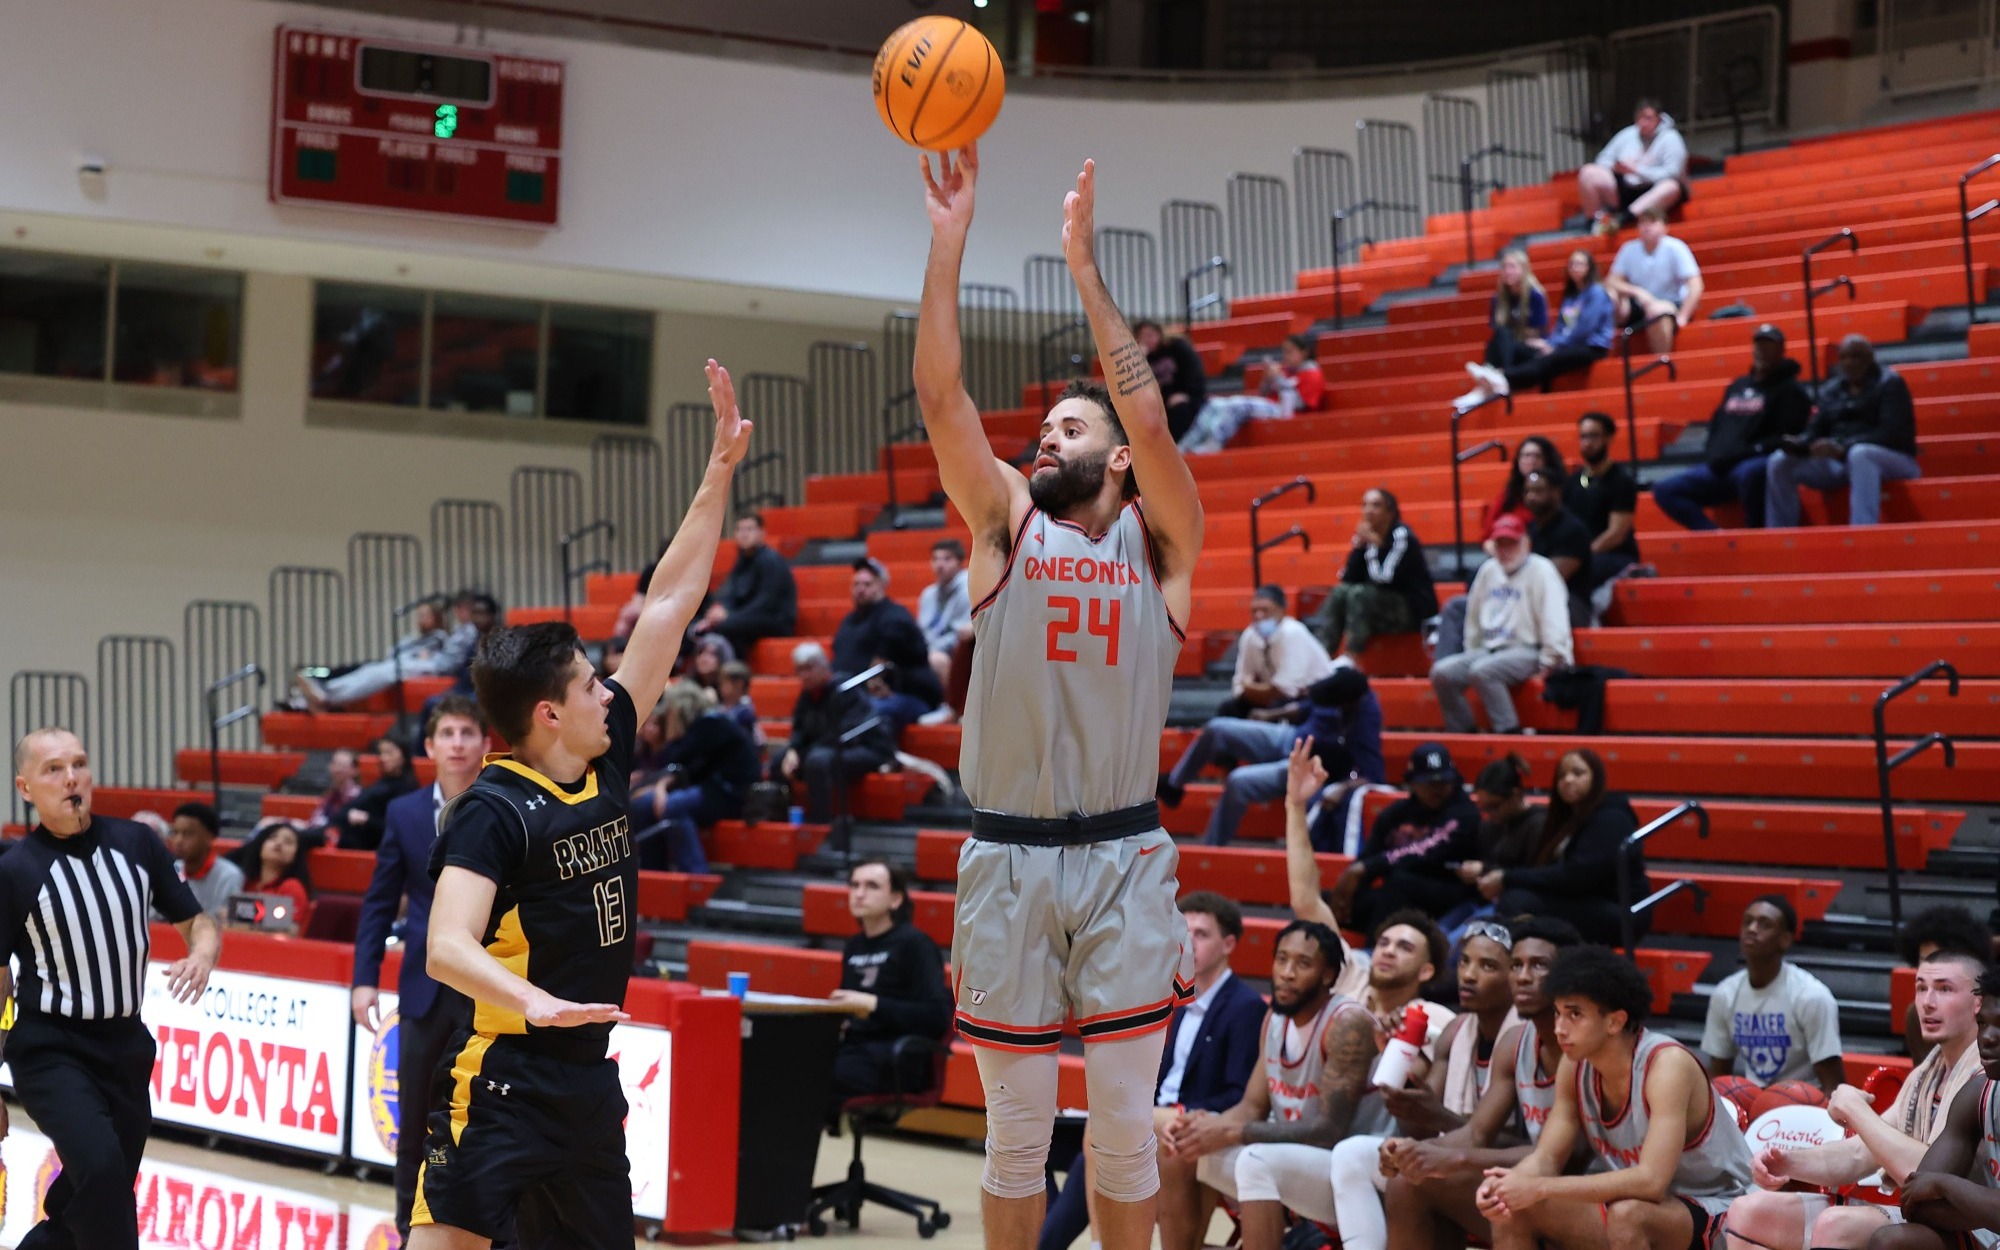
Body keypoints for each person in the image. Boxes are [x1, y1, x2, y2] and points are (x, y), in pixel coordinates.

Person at [915, 146, 1207, 1250]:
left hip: (1125, 855)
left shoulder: (1162, 539)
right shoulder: (1005, 524)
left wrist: (1084, 273)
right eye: (1043, 430)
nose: (1046, 436)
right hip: (1005, 853)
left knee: (1124, 1133)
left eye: (1070, 428)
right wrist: (949, 244)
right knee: (1012, 1134)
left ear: (1119, 461)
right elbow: (940, 395)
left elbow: (1155, 422)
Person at [408, 358, 748, 1250]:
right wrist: (535, 1002)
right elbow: (445, 948)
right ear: (549, 712)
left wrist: (716, 472)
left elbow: (671, 602)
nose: (613, 690)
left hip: (587, 1087)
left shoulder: (605, 756)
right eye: (595, 683)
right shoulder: (494, 810)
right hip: (502, 1079)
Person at [2, 727, 221, 1250]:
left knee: (92, 1193)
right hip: (50, 1048)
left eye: (78, 763)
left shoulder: (137, 844)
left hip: (126, 1046)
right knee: (101, 1173)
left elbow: (198, 922)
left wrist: (203, 954)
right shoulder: (13, 871)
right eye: (53, 769)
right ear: (25, 787)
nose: (71, 777)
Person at [1476, 945, 1752, 1250]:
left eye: (1574, 1014)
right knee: (1509, 1207)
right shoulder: (1576, 1063)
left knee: (1628, 1215)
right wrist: (1508, 1185)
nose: (1558, 1028)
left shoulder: (1667, 1065)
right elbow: (1547, 1156)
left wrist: (1538, 1187)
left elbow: (1651, 1182)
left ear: (1615, 1021)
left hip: (1723, 1208)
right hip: (1647, 1208)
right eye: (1557, 1013)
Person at [1042, 892, 1267, 1250]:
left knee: (1104, 1127)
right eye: (1184, 930)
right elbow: (1161, 1076)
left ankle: (1101, 1244)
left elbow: (1239, 1093)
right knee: (1054, 1147)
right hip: (1159, 1116)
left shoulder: (1246, 1007)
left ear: (1229, 944)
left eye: (1202, 933)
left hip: (1197, 1121)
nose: (1188, 941)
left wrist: (1173, 1112)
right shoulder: (1178, 998)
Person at [1722, 947, 1988, 1250]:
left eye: (1944, 989)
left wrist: (1855, 1110)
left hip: (1976, 1222)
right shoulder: (1926, 1074)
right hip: (1923, 1213)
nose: (1927, 1002)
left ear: (1979, 1001)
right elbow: (1859, 1154)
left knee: (1837, 1225)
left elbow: (1931, 1178)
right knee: (1749, 1211)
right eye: (1921, 988)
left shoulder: (1985, 1074)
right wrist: (1786, 1163)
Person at [351, 695, 489, 1240]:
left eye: (467, 733)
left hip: (487, 984)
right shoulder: (405, 812)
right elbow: (379, 901)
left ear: (485, 743)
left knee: (486, 1118)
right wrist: (365, 978)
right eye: (447, 734)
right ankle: (411, 1230)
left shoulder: (504, 803)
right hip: (424, 989)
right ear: (429, 746)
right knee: (414, 1124)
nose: (457, 743)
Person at [1156, 921, 1383, 1250]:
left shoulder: (1347, 1024)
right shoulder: (1275, 1019)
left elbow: (1327, 1130)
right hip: (1294, 1158)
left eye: (1303, 964)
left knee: (1255, 1162)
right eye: (1281, 959)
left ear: (1328, 975)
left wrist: (1230, 1132)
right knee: (1182, 1147)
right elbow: (1251, 1106)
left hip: (1354, 1173)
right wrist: (1205, 1127)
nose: (1287, 973)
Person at [1379, 916, 1586, 1250]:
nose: (1522, 977)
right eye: (1516, 965)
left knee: (1503, 1198)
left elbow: (1569, 1157)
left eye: (1538, 966)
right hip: (1534, 1181)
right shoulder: (1515, 1042)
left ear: (1568, 975)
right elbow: (1476, 1132)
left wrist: (1454, 1158)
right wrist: (1413, 1153)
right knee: (1409, 1180)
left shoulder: (1585, 1048)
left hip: (1585, 1190)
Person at [1329, 918, 1522, 1250]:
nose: (1469, 975)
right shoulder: (1456, 1031)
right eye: (1464, 962)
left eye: (1487, 966)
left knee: (1409, 1175)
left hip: (1516, 1169)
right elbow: (1418, 1127)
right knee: (1409, 1169)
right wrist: (1399, 1063)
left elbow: (1507, 1139)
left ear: (1514, 976)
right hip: (1467, 1159)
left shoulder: (1523, 1036)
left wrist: (1433, 1129)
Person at [1158, 666, 1384, 847]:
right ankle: (1175, 785)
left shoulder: (1365, 719)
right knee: (1217, 728)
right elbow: (1305, 708)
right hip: (1291, 737)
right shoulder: (1342, 683)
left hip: (1304, 765)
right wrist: (1270, 715)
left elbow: (1373, 775)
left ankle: (1211, 850)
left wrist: (1342, 788)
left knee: (1238, 781)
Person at [1861, 969, 2000, 1250]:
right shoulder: (1978, 1093)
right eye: (1982, 1023)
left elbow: (1933, 1187)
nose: (1987, 1037)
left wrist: (1946, 1186)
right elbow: (1916, 1204)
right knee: (1892, 1242)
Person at [1652, 324, 1811, 531]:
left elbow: (1785, 437)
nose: (1762, 350)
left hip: (1755, 462)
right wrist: (1714, 453)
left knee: (1751, 473)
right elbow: (1718, 424)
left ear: (1781, 349)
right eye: (1759, 344)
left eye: (1769, 345)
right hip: (1722, 464)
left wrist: (1751, 451)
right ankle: (1713, 536)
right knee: (1665, 490)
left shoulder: (1792, 391)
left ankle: (1755, 535)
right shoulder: (1737, 386)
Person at [827, 860, 953, 1111]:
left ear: (896, 899)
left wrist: (873, 1005)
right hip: (856, 1051)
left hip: (896, 1060)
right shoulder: (854, 946)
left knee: (805, 1076)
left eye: (871, 886)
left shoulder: (915, 945)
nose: (859, 893)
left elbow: (937, 1016)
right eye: (854, 885)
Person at [1429, 516, 1572, 735]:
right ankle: (1464, 733)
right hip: (1490, 650)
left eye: (1511, 543)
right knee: (1442, 673)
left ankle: (1509, 733)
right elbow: (1474, 616)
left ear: (1526, 543)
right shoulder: (1488, 570)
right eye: (1500, 544)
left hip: (1529, 650)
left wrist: (1550, 660)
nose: (1505, 550)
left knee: (1483, 671)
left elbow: (1554, 619)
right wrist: (1472, 648)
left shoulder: (1542, 570)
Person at [1480, 750, 1638, 946]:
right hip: (1588, 901)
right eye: (1562, 775)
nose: (1568, 780)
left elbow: (1578, 877)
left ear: (1596, 777)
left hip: (1620, 911)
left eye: (1578, 773)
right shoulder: (1570, 818)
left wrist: (1508, 877)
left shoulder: (1611, 818)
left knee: (1518, 901)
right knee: (1515, 900)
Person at [1702, 894, 1846, 1104]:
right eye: (1747, 922)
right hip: (1754, 1100)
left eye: (1764, 924)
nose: (1752, 929)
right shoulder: (1725, 994)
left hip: (1803, 1102)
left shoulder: (1812, 996)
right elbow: (1718, 1077)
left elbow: (1833, 1086)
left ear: (1785, 939)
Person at [1766, 334, 1921, 529]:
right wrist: (1800, 444)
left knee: (1861, 454)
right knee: (1779, 460)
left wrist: (1842, 447)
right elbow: (1816, 429)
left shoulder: (1890, 383)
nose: (1850, 362)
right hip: (1839, 462)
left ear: (1870, 357)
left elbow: (1892, 434)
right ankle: (1780, 533)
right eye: (1845, 357)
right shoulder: (1832, 389)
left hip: (1894, 459)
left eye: (1856, 356)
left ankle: (1862, 532)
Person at [1325, 742, 1482, 933]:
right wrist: (1351, 885)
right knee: (1329, 902)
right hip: (1400, 898)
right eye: (1429, 782)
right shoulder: (1395, 815)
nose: (1437, 789)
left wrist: (1363, 869)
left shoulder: (1465, 813)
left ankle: (1372, 954)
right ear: (1412, 783)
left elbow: (1427, 850)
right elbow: (1368, 858)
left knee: (1400, 883)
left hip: (1449, 896)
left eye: (1443, 782)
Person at [1456, 253, 1615, 408]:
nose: (1575, 268)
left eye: (1580, 264)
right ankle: (1491, 379)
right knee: (1499, 340)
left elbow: (1584, 329)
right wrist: (1552, 344)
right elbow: (1561, 326)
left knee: (1546, 360)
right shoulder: (1572, 296)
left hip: (1591, 346)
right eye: (1572, 264)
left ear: (1590, 268)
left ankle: (1500, 377)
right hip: (1567, 344)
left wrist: (1555, 346)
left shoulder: (1596, 292)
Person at [633, 681, 759, 872]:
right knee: (642, 805)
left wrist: (672, 734)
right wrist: (661, 786)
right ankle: (653, 872)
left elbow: (677, 758)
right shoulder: (702, 727)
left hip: (731, 794)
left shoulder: (712, 724)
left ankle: (696, 876)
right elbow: (681, 768)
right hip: (712, 789)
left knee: (673, 805)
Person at [1308, 489, 1439, 658]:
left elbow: (1384, 578)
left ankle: (1351, 657)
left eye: (1376, 505)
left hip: (1411, 612)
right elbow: (1347, 579)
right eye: (1364, 505)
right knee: (1340, 592)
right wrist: (1359, 548)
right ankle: (1320, 655)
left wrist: (1374, 546)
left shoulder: (1401, 536)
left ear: (1390, 512)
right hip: (1377, 608)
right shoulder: (1366, 540)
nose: (1368, 510)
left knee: (1359, 594)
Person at [776, 642, 895, 825]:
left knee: (816, 760)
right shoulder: (807, 696)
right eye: (800, 670)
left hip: (865, 748)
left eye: (809, 668)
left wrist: (802, 753)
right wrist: (793, 750)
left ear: (824, 667)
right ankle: (781, 817)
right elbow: (799, 729)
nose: (804, 675)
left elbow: (847, 732)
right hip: (824, 748)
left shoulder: (845, 690)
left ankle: (821, 822)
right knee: (779, 759)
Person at [295, 597, 450, 711]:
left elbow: (433, 660)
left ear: (435, 617)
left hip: (412, 669)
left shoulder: (440, 637)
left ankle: (327, 695)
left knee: (375, 676)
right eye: (419, 615)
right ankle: (317, 693)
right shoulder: (415, 636)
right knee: (367, 670)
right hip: (394, 663)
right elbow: (393, 651)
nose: (420, 620)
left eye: (425, 615)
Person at [1179, 334, 1326, 454]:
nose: (1286, 356)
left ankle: (1214, 442)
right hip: (1272, 406)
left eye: (1290, 352)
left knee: (1239, 405)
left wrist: (1279, 379)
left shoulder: (1312, 373)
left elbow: (1299, 404)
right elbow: (1264, 394)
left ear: (1304, 352)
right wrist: (1268, 379)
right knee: (1215, 403)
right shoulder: (1286, 370)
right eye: (1284, 352)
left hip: (1285, 412)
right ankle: (1187, 444)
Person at [1446, 754, 1544, 932]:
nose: (1488, 814)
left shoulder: (1539, 824)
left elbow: (1536, 877)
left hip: (1514, 907)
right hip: (1480, 901)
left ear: (1516, 795)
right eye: (1482, 807)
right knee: (1438, 934)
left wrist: (1485, 870)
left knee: (1455, 944)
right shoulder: (1488, 825)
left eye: (1494, 806)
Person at [834, 556, 942, 707]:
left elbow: (878, 671)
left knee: (868, 713)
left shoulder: (895, 617)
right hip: (858, 694)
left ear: (882, 585)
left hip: (906, 695)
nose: (860, 589)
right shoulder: (849, 620)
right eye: (856, 584)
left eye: (867, 584)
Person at [694, 511, 798, 658]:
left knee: (726, 626)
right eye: (740, 529)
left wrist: (730, 616)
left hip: (776, 619)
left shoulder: (771, 560)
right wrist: (718, 611)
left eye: (750, 529)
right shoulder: (742, 561)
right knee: (700, 626)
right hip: (749, 616)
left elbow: (766, 602)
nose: (744, 534)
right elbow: (731, 594)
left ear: (762, 533)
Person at [1578, 99, 1691, 235]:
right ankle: (1593, 222)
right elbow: (1603, 159)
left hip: (1656, 192)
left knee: (1671, 187)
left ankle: (1622, 220)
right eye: (1639, 118)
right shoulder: (1627, 134)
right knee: (1588, 172)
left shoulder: (1671, 138)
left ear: (1659, 119)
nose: (1643, 123)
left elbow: (1672, 172)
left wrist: (1638, 170)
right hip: (1626, 188)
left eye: (1648, 118)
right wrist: (1616, 167)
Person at [1220, 585, 1333, 720]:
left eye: (1265, 610)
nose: (1258, 616)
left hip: (1310, 699)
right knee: (1228, 708)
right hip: (1272, 698)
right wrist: (1252, 688)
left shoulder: (1293, 633)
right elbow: (1240, 683)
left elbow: (1284, 690)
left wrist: (1251, 687)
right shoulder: (1249, 635)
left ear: (1281, 611)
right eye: (1254, 611)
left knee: (1277, 707)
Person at [1900, 905, 1997, 1060]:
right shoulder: (1916, 1017)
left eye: (1945, 988)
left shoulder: (1994, 1016)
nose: (1927, 1003)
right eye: (1925, 961)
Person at [1605, 209, 1704, 355]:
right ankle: (1600, 350)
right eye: (1643, 222)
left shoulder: (1675, 247)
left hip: (1668, 303)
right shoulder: (1629, 249)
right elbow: (1611, 281)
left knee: (1656, 311)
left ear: (1665, 227)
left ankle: (1661, 362)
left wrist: (1682, 317)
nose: (1647, 227)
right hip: (1639, 304)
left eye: (1652, 222)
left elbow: (1696, 284)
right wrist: (1638, 292)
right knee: (1608, 295)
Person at [1565, 412, 1640, 594]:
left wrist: (1580, 556)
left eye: (1594, 436)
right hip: (1581, 554)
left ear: (1609, 438)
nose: (1587, 443)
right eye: (1583, 436)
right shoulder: (1573, 481)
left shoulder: (1621, 481)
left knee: (1576, 573)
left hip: (1615, 555)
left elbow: (1616, 534)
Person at [1523, 469, 1597, 630]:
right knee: (1460, 605)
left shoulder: (1573, 530)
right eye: (1528, 491)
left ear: (1555, 493)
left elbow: (1551, 579)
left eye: (1538, 491)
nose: (1531, 497)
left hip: (1572, 604)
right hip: (1531, 598)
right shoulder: (1530, 529)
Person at [1474, 248, 1550, 377]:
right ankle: (1496, 374)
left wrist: (1512, 336)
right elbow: (1496, 329)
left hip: (1530, 349)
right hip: (1508, 348)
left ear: (1524, 269)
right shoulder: (1498, 299)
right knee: (1498, 339)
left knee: (1503, 336)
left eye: (1512, 267)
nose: (1508, 271)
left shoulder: (1535, 296)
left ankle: (1498, 375)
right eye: (1505, 267)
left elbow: (1535, 334)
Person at [229, 820, 314, 934]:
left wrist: (240, 923)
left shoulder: (292, 887)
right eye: (272, 838)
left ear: (295, 856)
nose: (279, 843)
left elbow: (288, 933)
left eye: (288, 842)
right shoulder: (245, 881)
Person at [340, 733, 418, 851]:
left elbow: (399, 828)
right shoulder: (380, 783)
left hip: (376, 846)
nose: (383, 758)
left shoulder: (407, 789)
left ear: (403, 756)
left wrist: (367, 819)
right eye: (381, 753)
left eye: (389, 753)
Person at [1135, 318, 1208, 444]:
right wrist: (1139, 360)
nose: (1148, 341)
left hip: (1186, 397)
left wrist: (1187, 394)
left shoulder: (1177, 347)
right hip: (1158, 404)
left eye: (1150, 335)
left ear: (1159, 333)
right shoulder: (1140, 359)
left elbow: (1194, 372)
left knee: (1179, 412)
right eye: (1143, 337)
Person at [1481, 437, 1568, 542]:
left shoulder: (1560, 491)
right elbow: (1487, 533)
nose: (1531, 460)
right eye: (1526, 455)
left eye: (1537, 455)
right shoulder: (1508, 495)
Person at [169, 800, 243, 918]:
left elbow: (226, 924)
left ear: (210, 837)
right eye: (175, 833)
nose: (178, 841)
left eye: (188, 834)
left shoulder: (229, 876)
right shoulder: (169, 871)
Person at [919, 538, 973, 690]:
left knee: (937, 659)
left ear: (959, 562)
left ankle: (950, 707)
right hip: (930, 647)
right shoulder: (928, 594)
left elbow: (961, 633)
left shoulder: (969, 588)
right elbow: (923, 630)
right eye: (935, 559)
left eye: (947, 559)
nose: (939, 564)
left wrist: (930, 649)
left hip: (955, 651)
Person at [306, 747, 361, 838]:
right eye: (336, 764)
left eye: (343, 766)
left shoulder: (359, 796)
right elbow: (316, 820)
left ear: (355, 770)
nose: (338, 769)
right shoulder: (329, 795)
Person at [716, 659, 765, 748]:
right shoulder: (720, 706)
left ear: (739, 684)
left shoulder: (745, 709)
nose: (720, 685)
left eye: (724, 682)